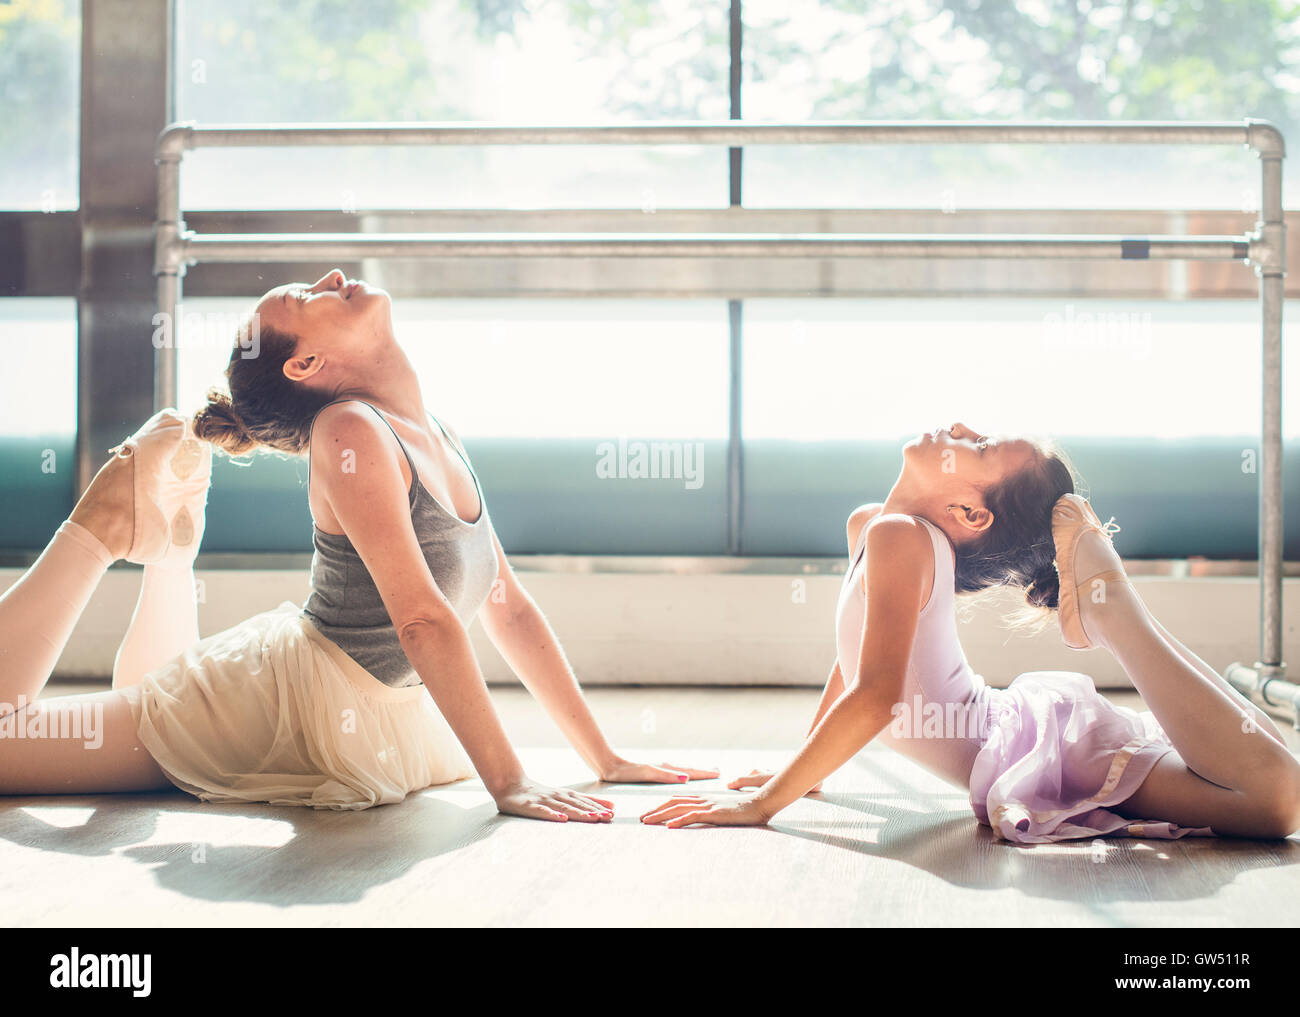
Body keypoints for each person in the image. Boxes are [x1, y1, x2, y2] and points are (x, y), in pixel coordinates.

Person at [0, 268, 716, 819]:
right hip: (281, 701)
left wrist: (604, 755)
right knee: (9, 742)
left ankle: (166, 557)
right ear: (306, 366)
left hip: (360, 704)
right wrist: (509, 778)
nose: (332, 280)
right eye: (307, 298)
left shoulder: (435, 431)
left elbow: (509, 607)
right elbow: (422, 618)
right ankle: (102, 521)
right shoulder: (349, 432)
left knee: (143, 706)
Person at [641, 423, 1300, 842]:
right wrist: (805, 769)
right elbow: (856, 660)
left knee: (1276, 797)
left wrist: (765, 803)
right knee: (1264, 766)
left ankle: (1112, 609)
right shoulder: (874, 525)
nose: (959, 427)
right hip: (1023, 731)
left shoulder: (899, 537)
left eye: (978, 446)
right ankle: (1109, 603)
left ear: (966, 511)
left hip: (1041, 749)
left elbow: (876, 697)